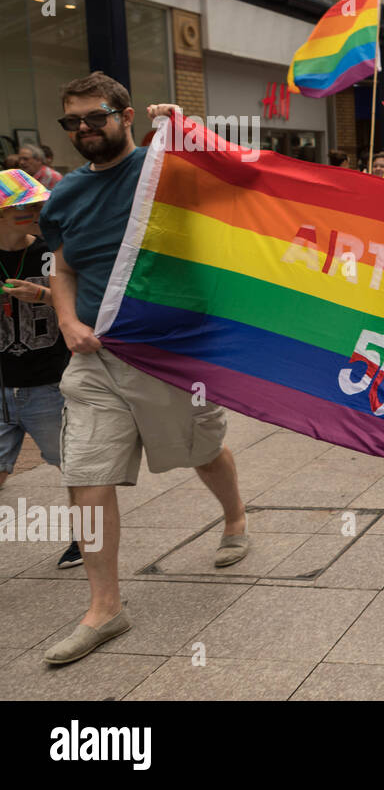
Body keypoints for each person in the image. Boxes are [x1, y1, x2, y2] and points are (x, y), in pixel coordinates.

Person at [37, 73, 250, 665]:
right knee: (87, 475)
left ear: (126, 116)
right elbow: (63, 267)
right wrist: (67, 322)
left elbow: (239, 182)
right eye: (71, 121)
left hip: (173, 351)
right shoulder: (64, 195)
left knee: (202, 450)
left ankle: (234, 517)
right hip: (95, 358)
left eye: (95, 117)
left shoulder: (169, 168)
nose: (83, 129)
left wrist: (186, 132)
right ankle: (105, 608)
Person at [0, 169, 81, 568]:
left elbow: (80, 305)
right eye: (24, 206)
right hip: (1, 386)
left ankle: (84, 538)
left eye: (37, 203)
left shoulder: (51, 250)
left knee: (75, 466)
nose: (35, 211)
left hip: (49, 383)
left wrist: (42, 294)